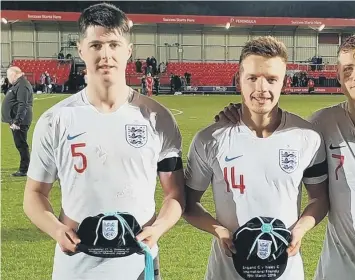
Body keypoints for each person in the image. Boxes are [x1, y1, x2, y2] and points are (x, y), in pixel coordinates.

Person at [215, 33, 355, 280]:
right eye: (349, 69)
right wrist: (238, 111)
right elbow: (275, 126)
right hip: (336, 272)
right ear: (339, 76)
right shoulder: (321, 124)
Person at [23, 3, 185, 280]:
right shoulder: (55, 120)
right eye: (96, 45)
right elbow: (34, 195)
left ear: (128, 50)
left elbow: (175, 194)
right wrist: (56, 229)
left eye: (114, 44)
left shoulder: (158, 118)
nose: (106, 54)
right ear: (81, 49)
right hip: (75, 267)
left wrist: (158, 229)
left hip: (138, 266)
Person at [183, 36, 329, 280]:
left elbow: (320, 198)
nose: (262, 88)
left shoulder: (307, 137)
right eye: (252, 78)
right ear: (239, 79)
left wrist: (301, 228)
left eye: (272, 79)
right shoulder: (209, 139)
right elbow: (188, 203)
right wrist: (219, 230)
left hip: (285, 271)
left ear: (284, 82)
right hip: (226, 272)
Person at [1, 66, 34, 176]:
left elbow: (23, 104)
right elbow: (11, 97)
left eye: (8, 76)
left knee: (21, 144)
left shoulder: (22, 85)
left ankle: (24, 169)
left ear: (13, 75)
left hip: (20, 121)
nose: (8, 78)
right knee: (20, 144)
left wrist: (17, 122)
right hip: (16, 120)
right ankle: (25, 167)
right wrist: (4, 86)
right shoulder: (18, 85)